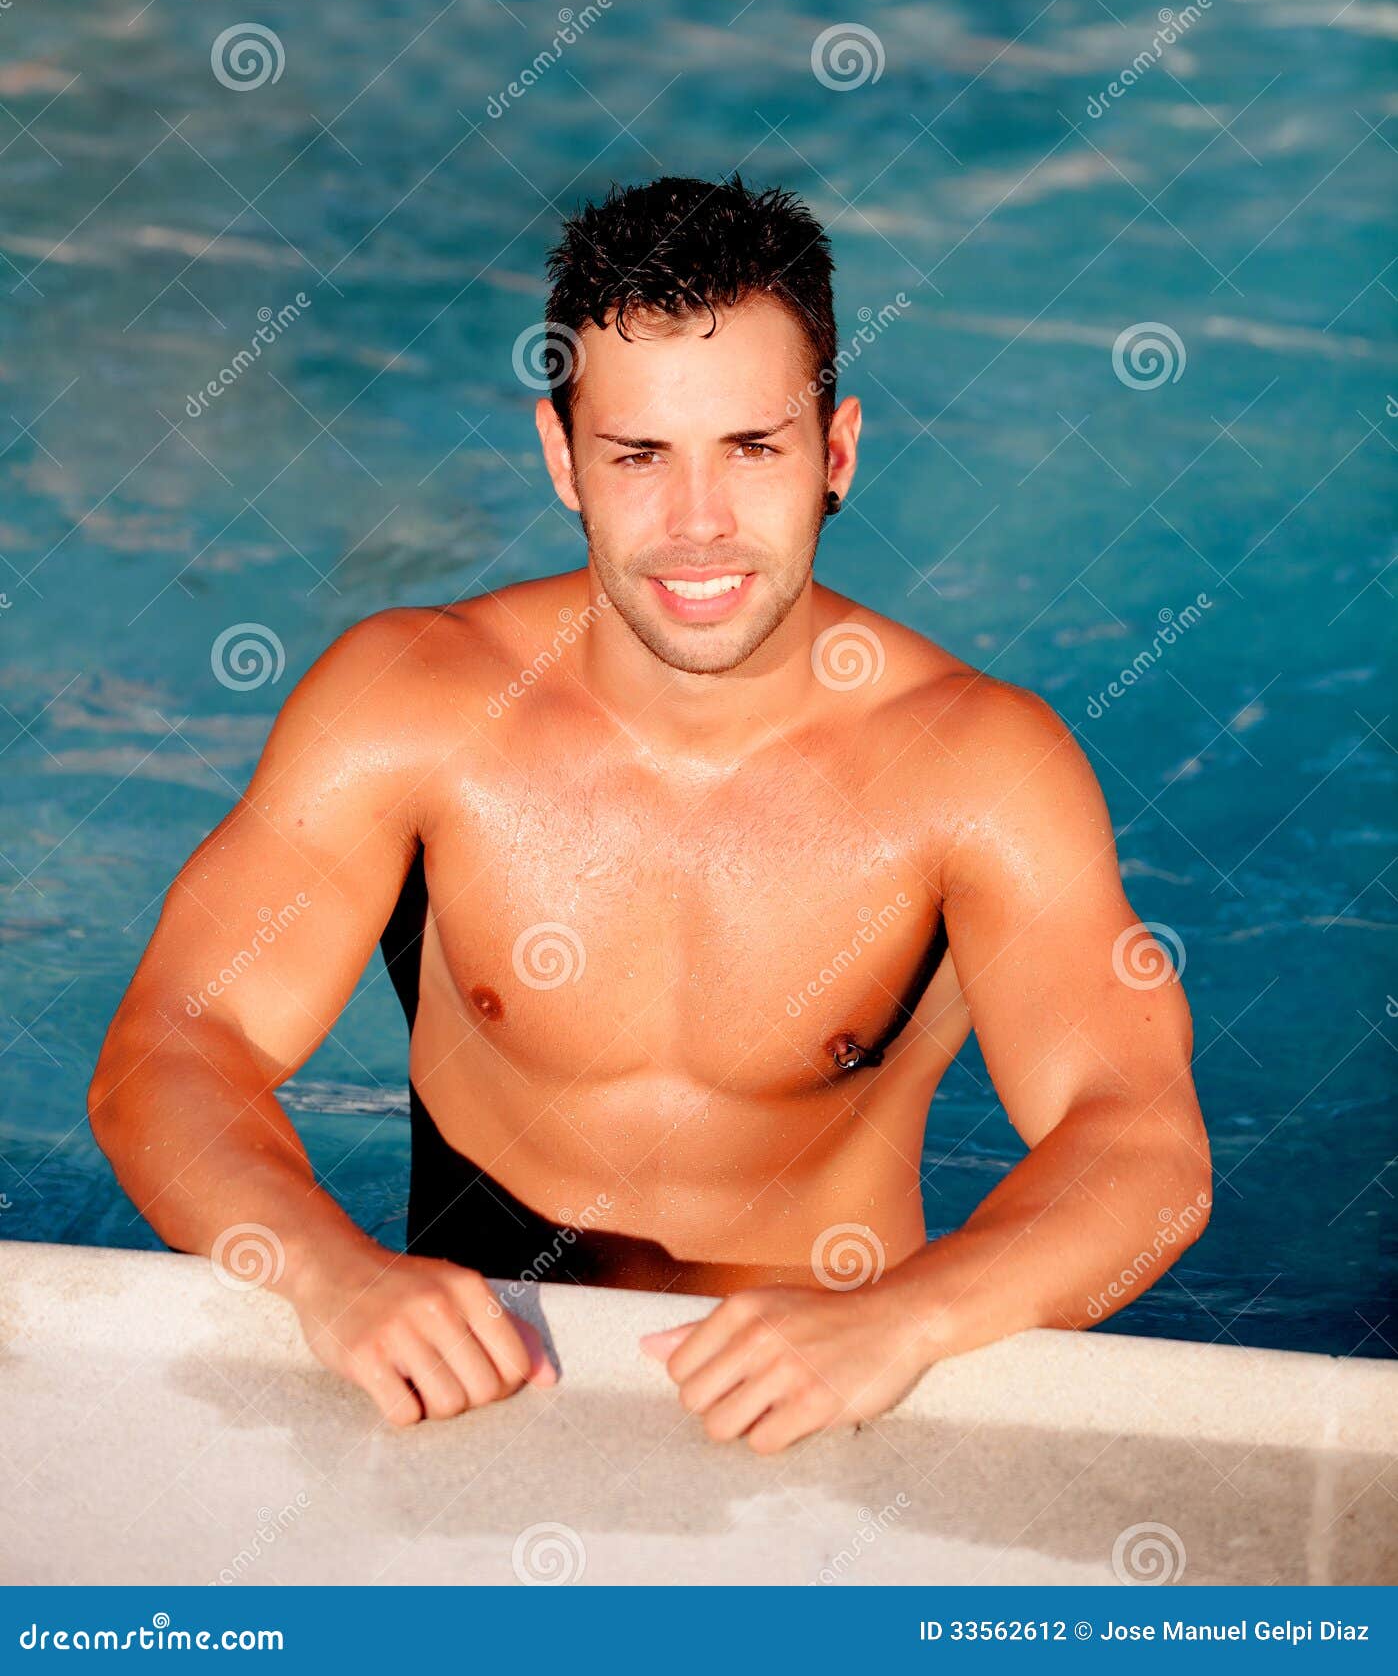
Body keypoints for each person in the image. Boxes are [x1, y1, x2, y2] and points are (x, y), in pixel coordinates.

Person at [89, 174, 1210, 1456]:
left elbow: (1141, 1142)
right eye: (639, 455)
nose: (698, 527)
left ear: (834, 452)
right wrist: (325, 1273)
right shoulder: (415, 710)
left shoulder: (974, 767)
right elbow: (172, 1047)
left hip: (821, 1425)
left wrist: (905, 1321)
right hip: (482, 1399)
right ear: (562, 458)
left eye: (751, 448)